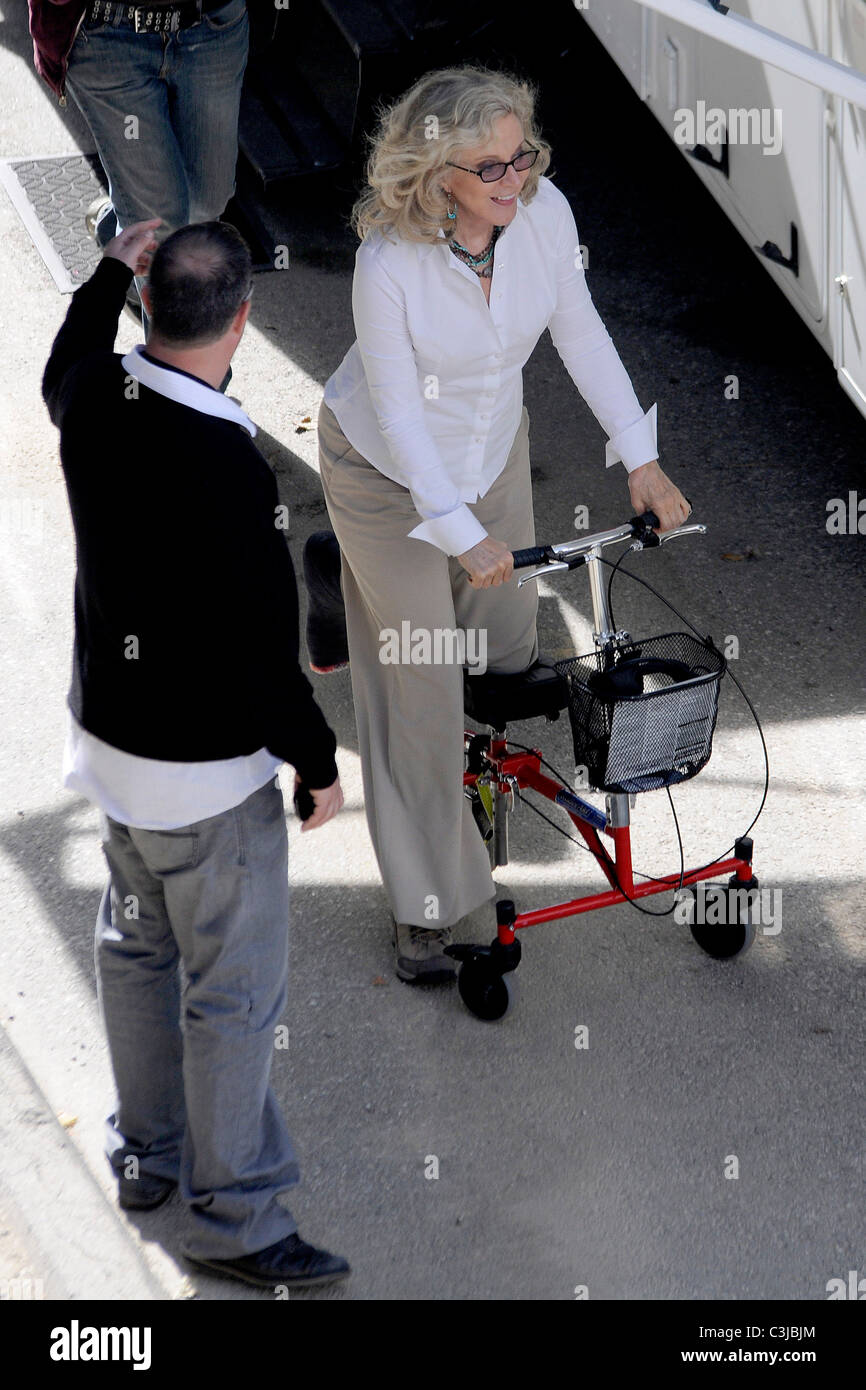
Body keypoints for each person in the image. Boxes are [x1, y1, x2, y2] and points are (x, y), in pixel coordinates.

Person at [316, 66, 691, 984]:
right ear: (436, 170)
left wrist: (638, 456)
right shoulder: (389, 258)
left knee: (507, 659)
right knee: (423, 696)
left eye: (521, 155)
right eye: (489, 166)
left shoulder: (545, 215)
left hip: (488, 448)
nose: (512, 177)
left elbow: (580, 329)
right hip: (386, 477)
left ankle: (462, 786)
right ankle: (433, 909)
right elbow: (401, 416)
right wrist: (452, 528)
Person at [42, 217, 349, 1291]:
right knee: (232, 997)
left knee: (133, 953)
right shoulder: (228, 461)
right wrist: (316, 764)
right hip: (206, 783)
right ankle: (237, 1220)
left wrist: (105, 268)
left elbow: (62, 359)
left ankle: (148, 1154)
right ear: (244, 318)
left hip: (109, 755)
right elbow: (266, 656)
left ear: (147, 303)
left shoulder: (93, 397)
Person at [28, 0, 255, 326]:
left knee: (206, 204)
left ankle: (120, 237)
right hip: (108, 35)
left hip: (212, 26)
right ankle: (179, 371)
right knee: (159, 228)